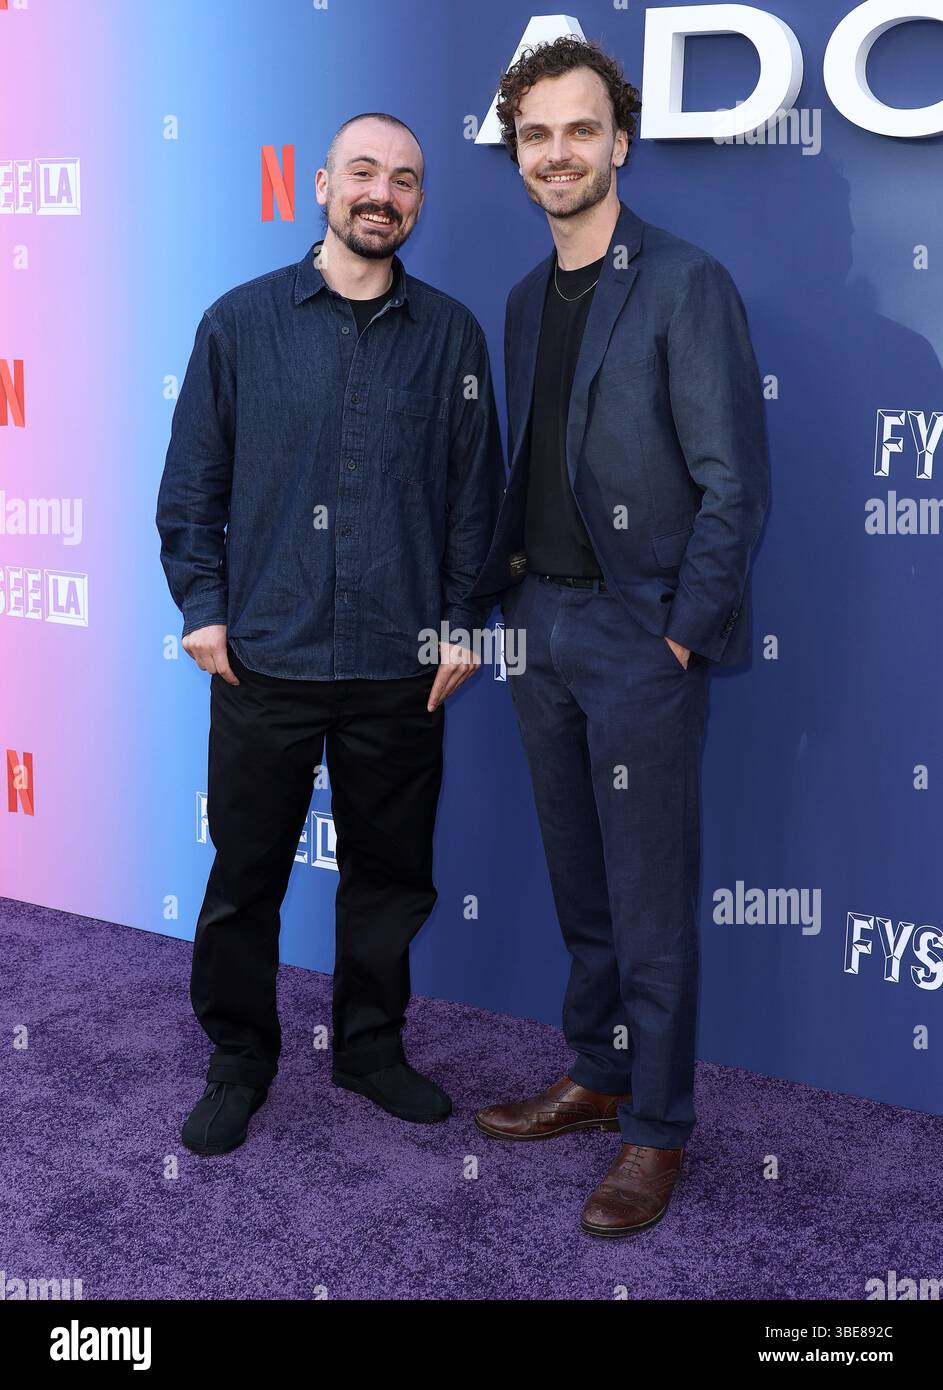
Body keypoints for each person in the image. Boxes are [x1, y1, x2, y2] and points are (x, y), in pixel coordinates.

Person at [467, 37, 770, 1237]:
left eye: (578, 130)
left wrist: (680, 636)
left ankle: (655, 1128)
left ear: (619, 144)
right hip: (539, 624)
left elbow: (731, 483)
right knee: (578, 878)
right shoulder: (520, 297)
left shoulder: (685, 281)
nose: (557, 153)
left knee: (648, 896)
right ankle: (595, 1073)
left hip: (640, 640)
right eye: (535, 135)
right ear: (519, 154)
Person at [156, 112, 504, 1155]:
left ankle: (367, 1048)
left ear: (417, 203)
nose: (381, 193)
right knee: (246, 872)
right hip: (265, 652)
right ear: (321, 185)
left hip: (400, 663)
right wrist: (202, 605)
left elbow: (472, 497)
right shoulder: (238, 321)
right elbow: (192, 482)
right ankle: (239, 1057)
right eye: (363, 172)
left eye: (404, 179)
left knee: (391, 874)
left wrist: (462, 622)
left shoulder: (450, 336)